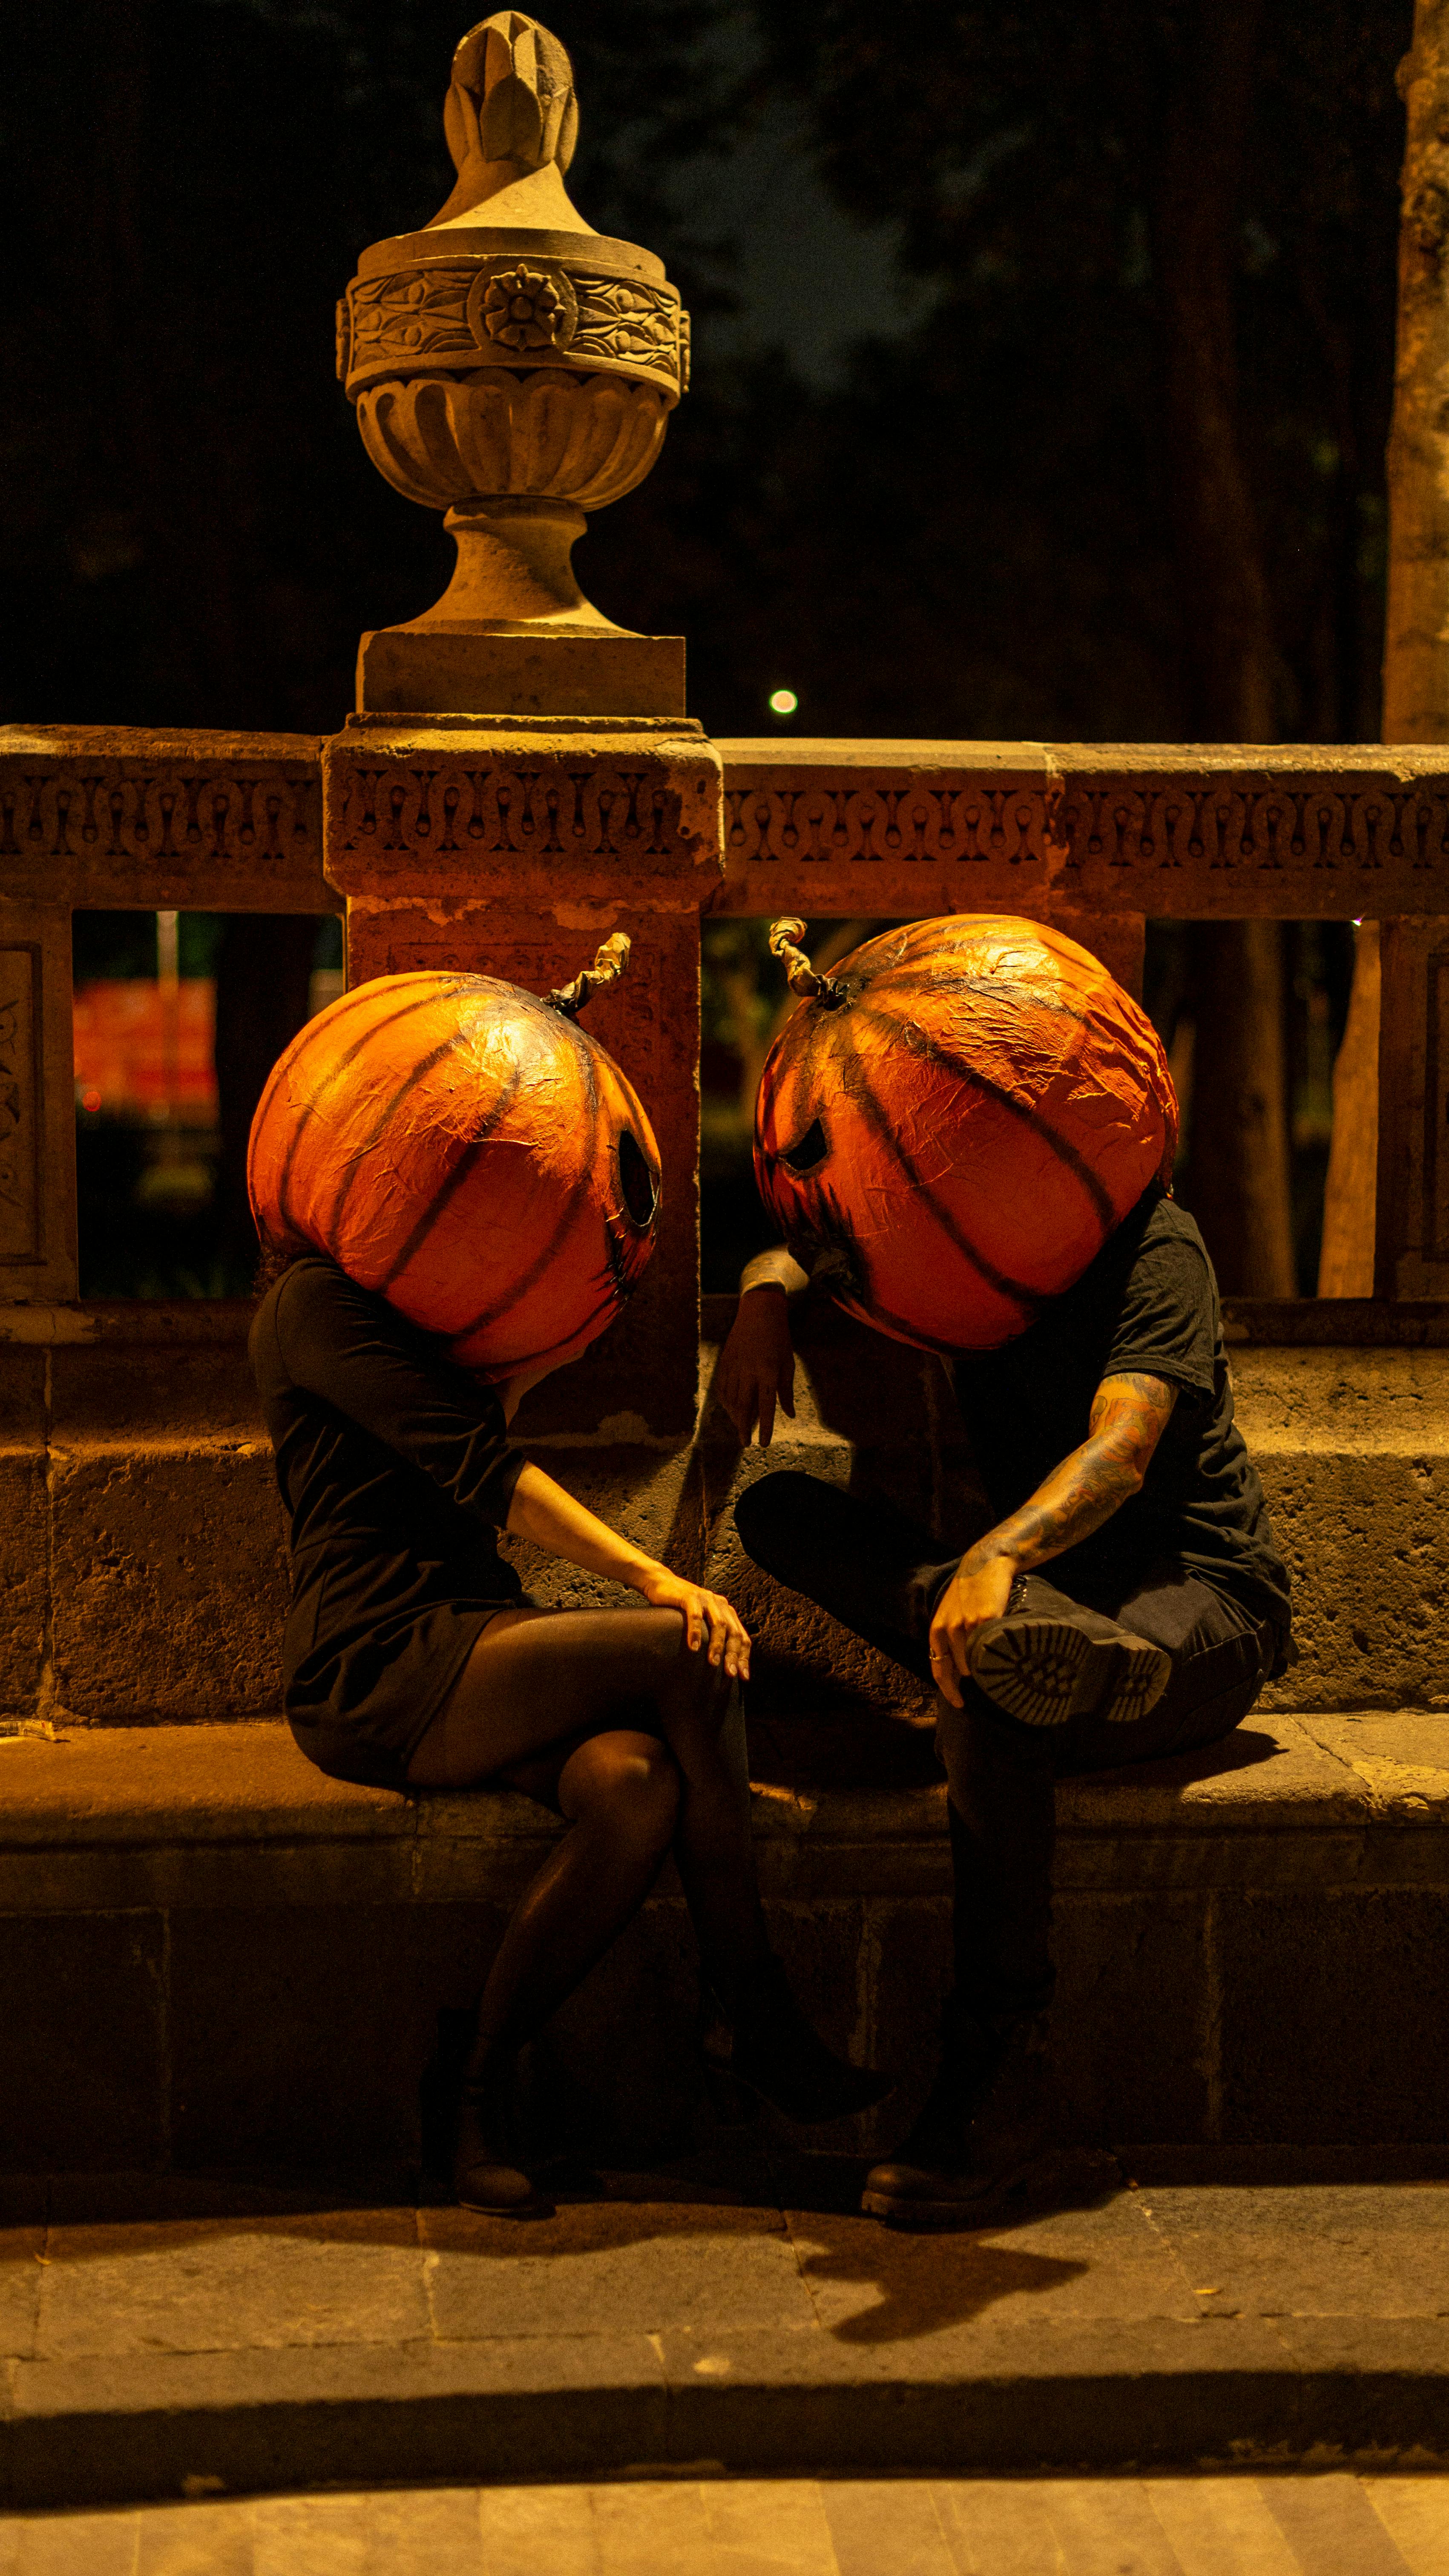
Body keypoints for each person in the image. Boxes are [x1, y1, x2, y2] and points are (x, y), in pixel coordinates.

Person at [250, 1248, 885, 2216]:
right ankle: (751, 2010)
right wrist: (654, 1578)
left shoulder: (419, 1305)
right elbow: (483, 1472)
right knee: (686, 1644)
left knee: (635, 1789)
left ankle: (471, 2099)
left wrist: (587, 1303)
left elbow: (476, 1427)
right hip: (375, 1658)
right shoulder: (314, 1304)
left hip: (471, 1623)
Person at [716, 1180, 1293, 2227]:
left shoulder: (1156, 1242)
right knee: (781, 1513)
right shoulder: (961, 1222)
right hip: (1037, 1593)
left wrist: (997, 1556)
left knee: (988, 1682)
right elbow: (805, 1247)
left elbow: (1121, 1452)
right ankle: (1039, 1648)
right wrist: (759, 1304)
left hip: (1202, 1600)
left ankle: (1003, 2078)